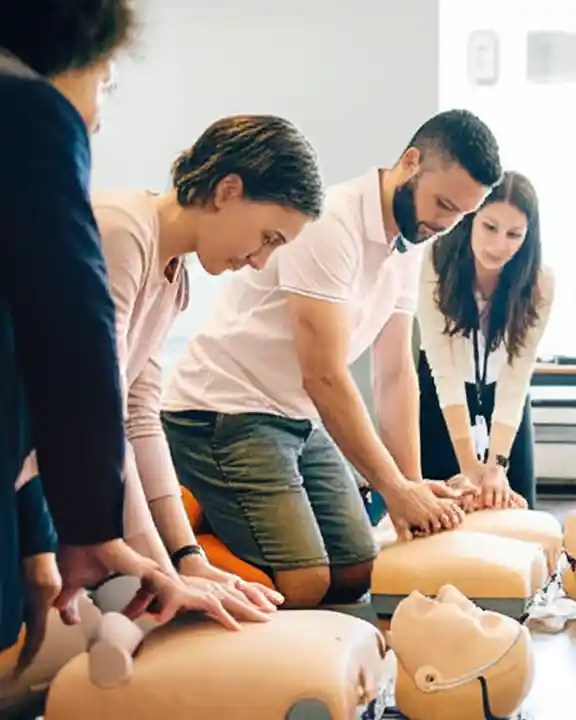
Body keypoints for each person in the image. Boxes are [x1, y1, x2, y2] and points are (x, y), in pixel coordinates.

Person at [160, 110, 503, 609]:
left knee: (355, 571)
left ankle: (224, 511)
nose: (445, 224)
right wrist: (394, 489)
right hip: (223, 411)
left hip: (296, 415)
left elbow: (395, 372)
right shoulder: (332, 222)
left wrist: (410, 486)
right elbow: (322, 375)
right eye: (443, 204)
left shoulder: (411, 241)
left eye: (461, 215)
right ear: (411, 162)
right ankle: (180, 546)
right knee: (304, 584)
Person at [1, 0, 235, 666]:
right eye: (104, 82)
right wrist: (89, 530)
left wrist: (40, 539)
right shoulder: (29, 115)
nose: (99, 114)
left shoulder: (178, 281)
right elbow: (69, 356)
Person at [93, 114, 323, 620]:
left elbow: (139, 418)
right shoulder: (123, 233)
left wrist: (187, 559)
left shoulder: (174, 278)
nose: (261, 261)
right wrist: (162, 575)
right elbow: (99, 417)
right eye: (268, 237)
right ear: (227, 190)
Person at [416, 171, 554, 510]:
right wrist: (468, 465)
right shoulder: (435, 261)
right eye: (490, 227)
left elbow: (517, 374)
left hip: (504, 395)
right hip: (442, 392)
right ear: (470, 219)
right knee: (444, 511)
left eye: (514, 234)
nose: (499, 245)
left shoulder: (539, 282)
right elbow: (443, 368)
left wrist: (496, 466)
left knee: (513, 505)